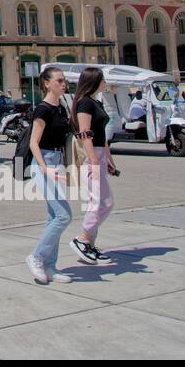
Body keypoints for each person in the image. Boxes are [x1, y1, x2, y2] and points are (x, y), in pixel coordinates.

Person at [25, 66, 73, 285]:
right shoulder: (42, 109)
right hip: (43, 164)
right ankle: (37, 257)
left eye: (64, 81)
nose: (64, 84)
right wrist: (45, 168)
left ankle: (50, 267)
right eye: (60, 80)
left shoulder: (62, 108)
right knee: (64, 216)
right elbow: (33, 142)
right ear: (47, 83)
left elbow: (65, 140)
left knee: (54, 217)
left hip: (57, 161)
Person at [69, 67, 115, 265]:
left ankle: (89, 243)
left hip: (99, 154)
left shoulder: (95, 102)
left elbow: (102, 136)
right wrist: (94, 160)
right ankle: (82, 239)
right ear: (94, 81)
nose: (105, 83)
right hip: (91, 157)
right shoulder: (85, 104)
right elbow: (85, 133)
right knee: (101, 202)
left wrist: (109, 159)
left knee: (101, 202)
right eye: (102, 80)